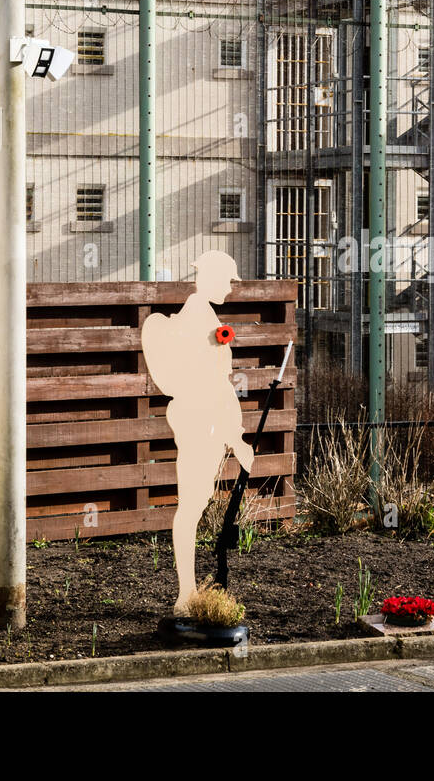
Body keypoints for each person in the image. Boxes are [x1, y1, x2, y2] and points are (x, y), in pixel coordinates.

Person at [141, 250, 253, 615]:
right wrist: (235, 437)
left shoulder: (205, 317)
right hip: (197, 421)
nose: (231, 289)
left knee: (195, 503)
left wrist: (234, 435)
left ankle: (189, 590)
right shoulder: (198, 320)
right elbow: (213, 384)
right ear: (208, 278)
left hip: (204, 420)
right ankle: (186, 593)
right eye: (226, 281)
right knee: (190, 507)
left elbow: (219, 385)